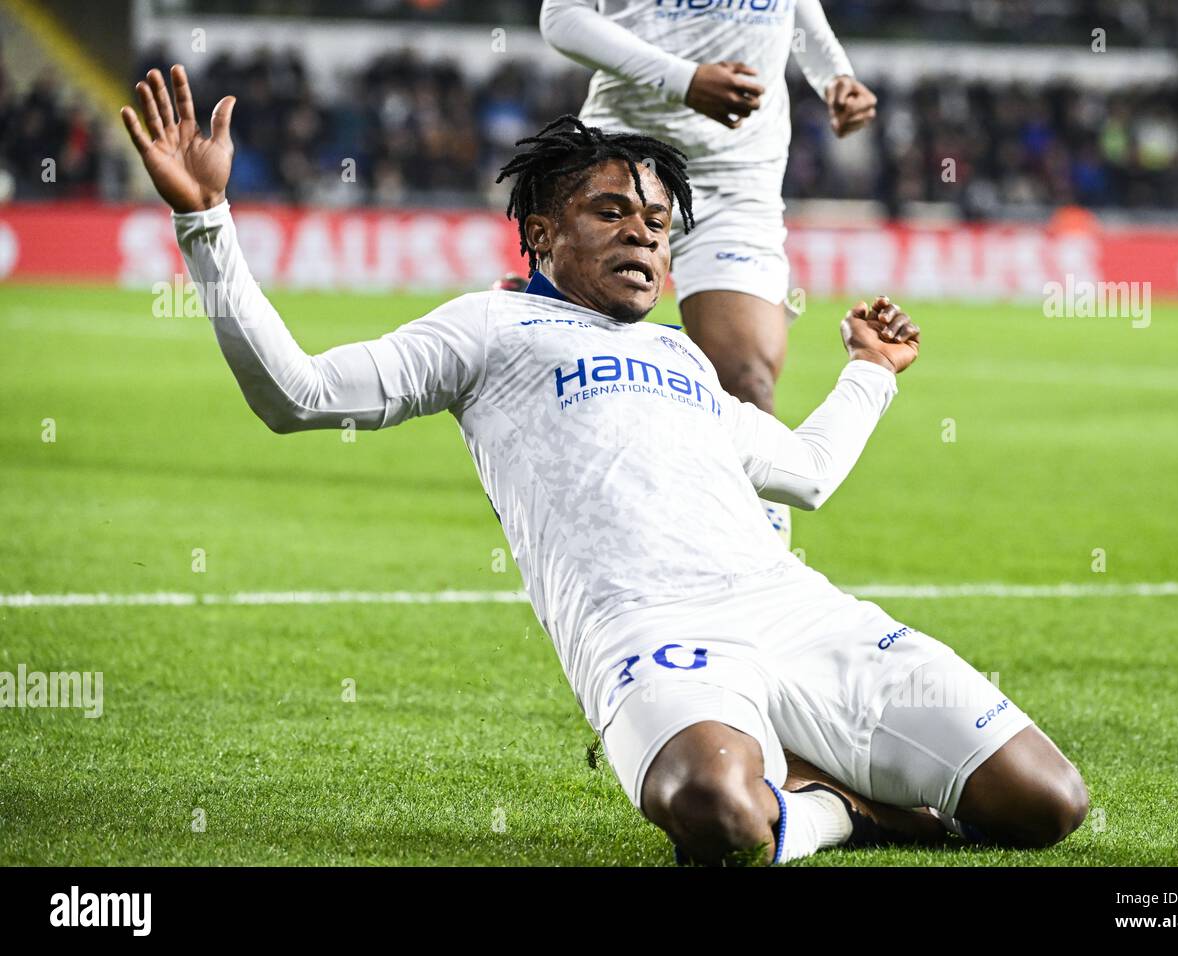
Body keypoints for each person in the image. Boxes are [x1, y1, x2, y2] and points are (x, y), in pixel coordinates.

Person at [121, 65, 1088, 865]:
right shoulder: (488, 327)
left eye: (659, 223)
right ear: (541, 233)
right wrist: (208, 223)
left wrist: (870, 375)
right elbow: (295, 394)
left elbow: (805, 473)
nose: (644, 233)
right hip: (650, 635)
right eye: (613, 211)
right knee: (717, 814)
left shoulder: (682, 358)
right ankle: (849, 810)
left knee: (1046, 804)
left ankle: (809, 784)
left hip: (791, 611)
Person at [540, 0, 878, 544]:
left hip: (735, 178)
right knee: (568, 375)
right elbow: (561, 18)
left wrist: (835, 75)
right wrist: (683, 79)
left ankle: (761, 566)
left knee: (747, 377)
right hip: (622, 162)